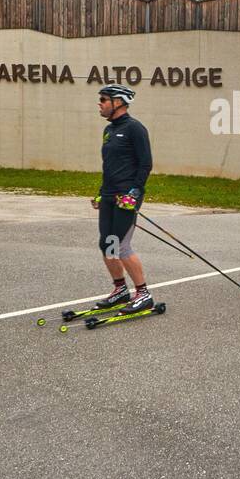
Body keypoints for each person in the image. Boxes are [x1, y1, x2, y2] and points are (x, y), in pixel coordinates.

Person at [91, 84, 154, 313]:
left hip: (126, 196)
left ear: (118, 102)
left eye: (104, 100)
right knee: (106, 244)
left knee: (121, 245)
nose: (100, 103)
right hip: (109, 194)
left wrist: (135, 191)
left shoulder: (135, 129)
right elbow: (110, 166)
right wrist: (101, 191)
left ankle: (144, 294)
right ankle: (120, 290)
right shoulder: (109, 130)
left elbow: (145, 163)